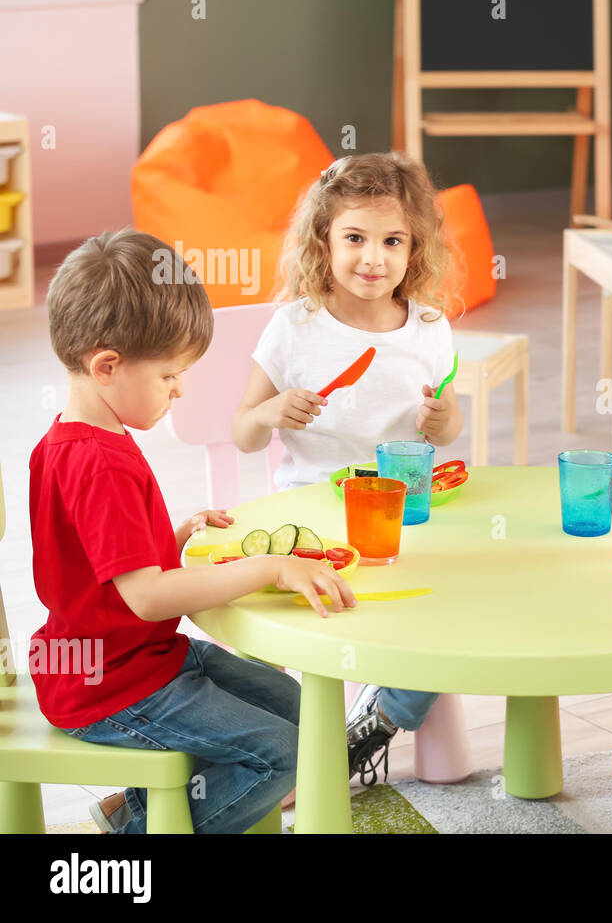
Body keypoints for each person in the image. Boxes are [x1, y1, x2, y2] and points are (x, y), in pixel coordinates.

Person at [29, 230, 356, 834]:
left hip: (139, 658)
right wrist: (267, 568)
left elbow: (98, 568)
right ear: (107, 366)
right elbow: (148, 596)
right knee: (285, 753)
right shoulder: (99, 462)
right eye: (169, 376)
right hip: (113, 687)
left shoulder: (75, 437)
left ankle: (130, 810)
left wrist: (173, 536)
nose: (179, 389)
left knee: (310, 716)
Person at [231, 152, 464, 786]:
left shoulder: (430, 329)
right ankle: (266, 746)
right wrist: (273, 409)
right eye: (355, 238)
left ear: (415, 248)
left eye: (393, 241)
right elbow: (243, 432)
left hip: (401, 519)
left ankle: (378, 723)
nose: (373, 257)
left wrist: (448, 423)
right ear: (323, 241)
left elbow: (447, 417)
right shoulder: (296, 327)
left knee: (457, 617)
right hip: (313, 520)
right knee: (267, 635)